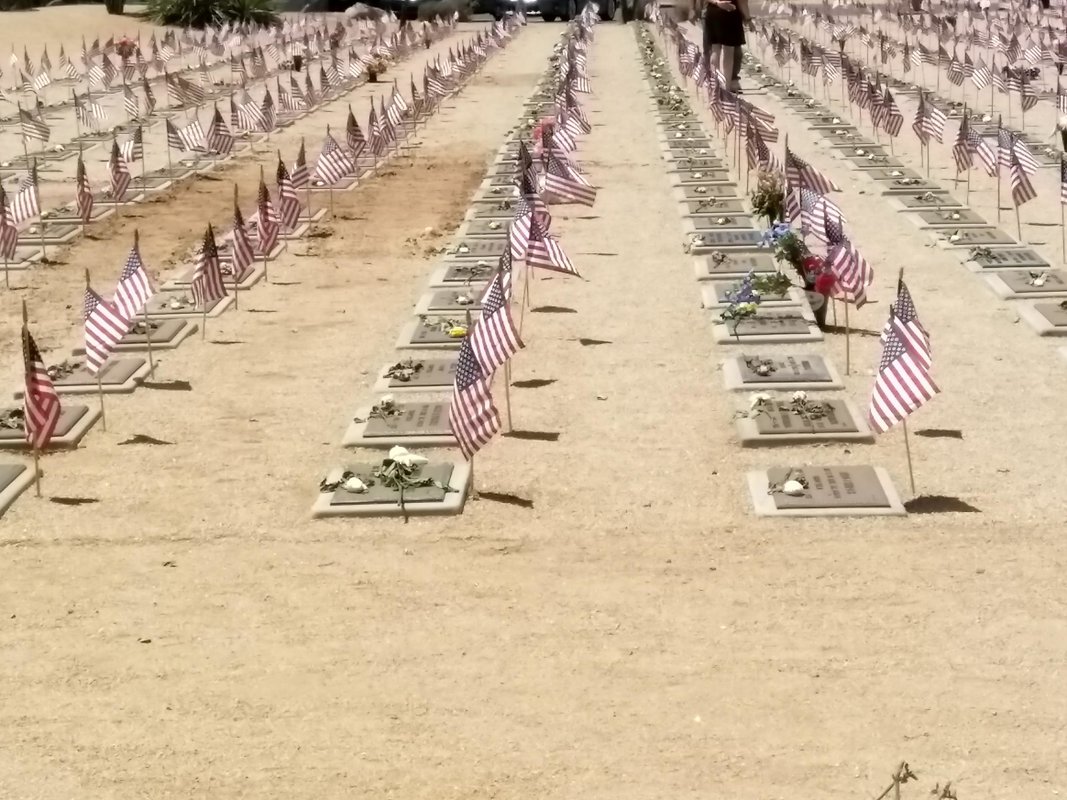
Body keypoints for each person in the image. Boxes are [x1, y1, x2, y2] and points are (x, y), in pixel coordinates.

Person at [703, 0, 749, 92]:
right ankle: (727, 88)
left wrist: (717, 3)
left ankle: (715, 87)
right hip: (730, 11)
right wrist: (748, 18)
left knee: (715, 50)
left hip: (713, 12)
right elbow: (742, 1)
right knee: (729, 52)